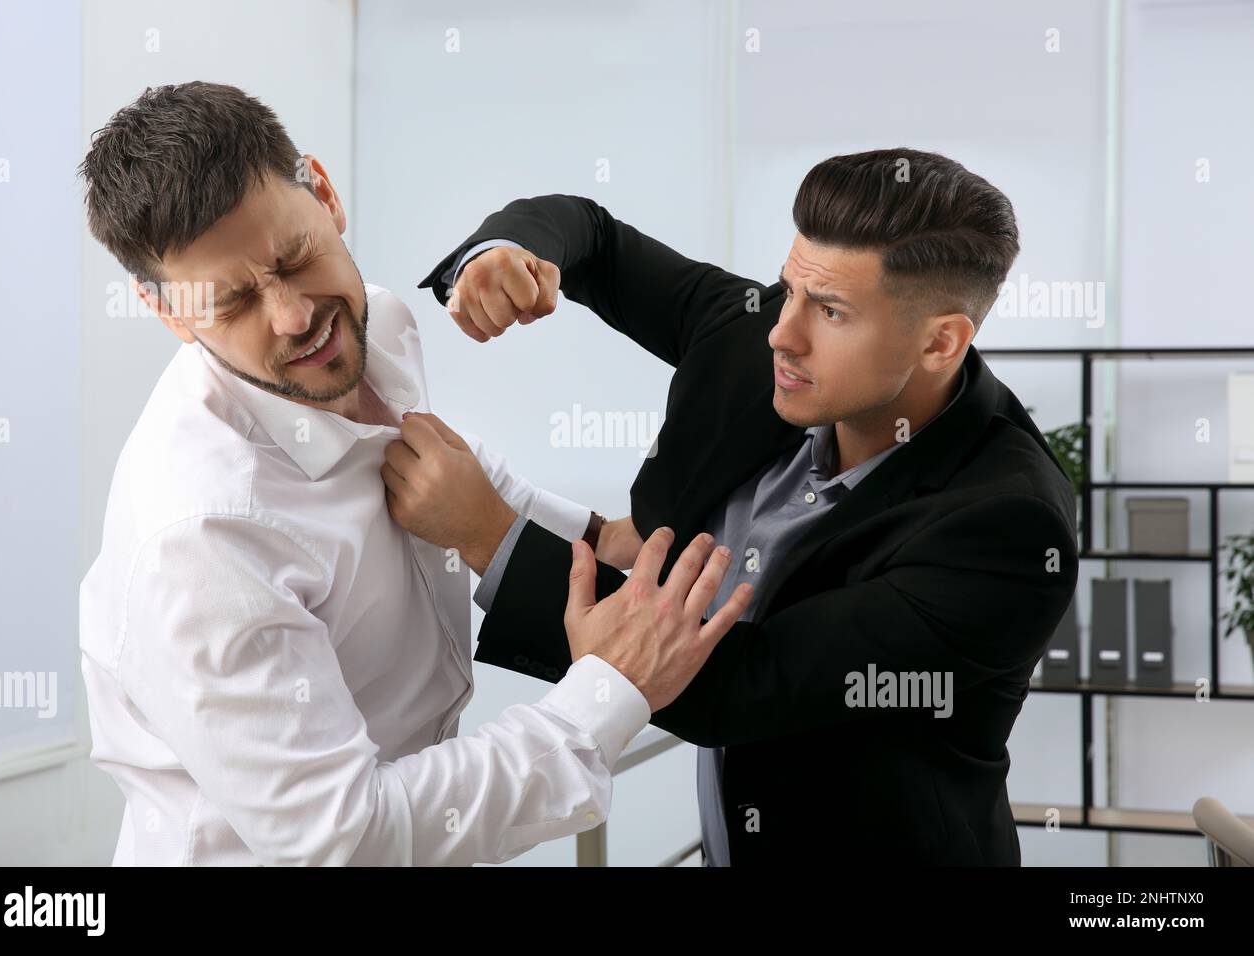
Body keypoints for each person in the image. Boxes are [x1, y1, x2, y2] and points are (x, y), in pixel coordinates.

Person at [77, 81, 748, 866]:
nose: (295, 317)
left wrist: (603, 543)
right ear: (170, 315)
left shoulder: (372, 325)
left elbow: (443, 473)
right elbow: (348, 838)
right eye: (233, 305)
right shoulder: (201, 536)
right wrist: (605, 691)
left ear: (324, 194)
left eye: (295, 258)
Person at [402, 152, 1080, 865]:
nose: (783, 333)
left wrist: (485, 535)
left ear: (941, 341)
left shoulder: (1007, 527)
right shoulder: (763, 339)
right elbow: (593, 238)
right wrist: (507, 253)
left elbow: (735, 683)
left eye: (832, 312)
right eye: (791, 290)